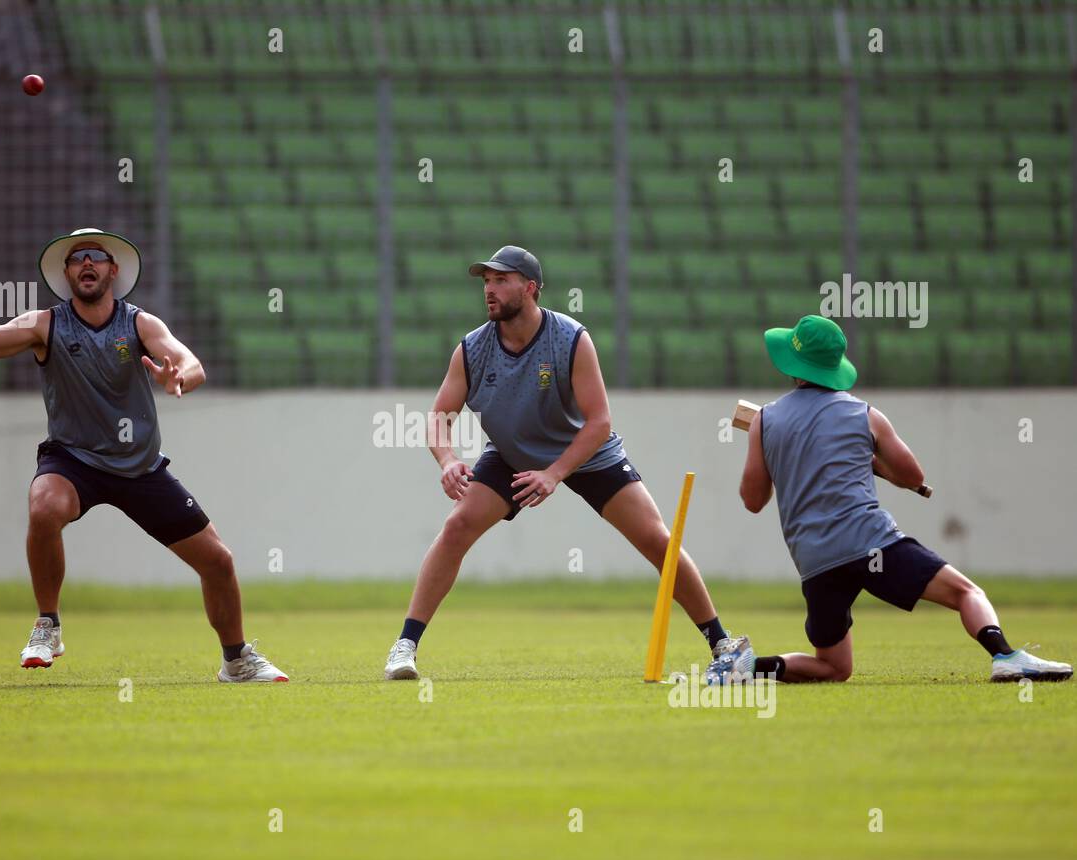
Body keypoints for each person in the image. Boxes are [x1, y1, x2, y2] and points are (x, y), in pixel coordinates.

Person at [0, 227, 289, 682]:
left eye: (96, 257)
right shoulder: (45, 324)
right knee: (45, 506)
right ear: (66, 273)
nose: (87, 263)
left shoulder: (140, 323)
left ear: (113, 270)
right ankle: (49, 625)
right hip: (74, 460)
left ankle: (236, 661)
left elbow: (189, 361)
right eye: (77, 258)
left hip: (138, 466)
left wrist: (178, 376)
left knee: (218, 561)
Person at [383, 245, 750, 680]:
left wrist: (555, 473)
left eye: (501, 279)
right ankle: (405, 647)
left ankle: (722, 643)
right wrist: (446, 459)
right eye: (486, 281)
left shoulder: (570, 338)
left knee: (656, 540)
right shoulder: (472, 349)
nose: (490, 289)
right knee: (457, 527)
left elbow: (598, 422)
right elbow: (439, 417)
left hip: (587, 453)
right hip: (512, 454)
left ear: (531, 287)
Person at [712, 313, 1071, 685]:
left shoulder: (765, 420)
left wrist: (774, 454)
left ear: (794, 364)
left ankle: (747, 668)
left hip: (815, 561)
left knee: (835, 668)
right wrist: (870, 461)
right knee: (967, 592)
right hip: (872, 546)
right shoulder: (864, 415)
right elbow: (913, 477)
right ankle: (1005, 655)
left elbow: (753, 500)